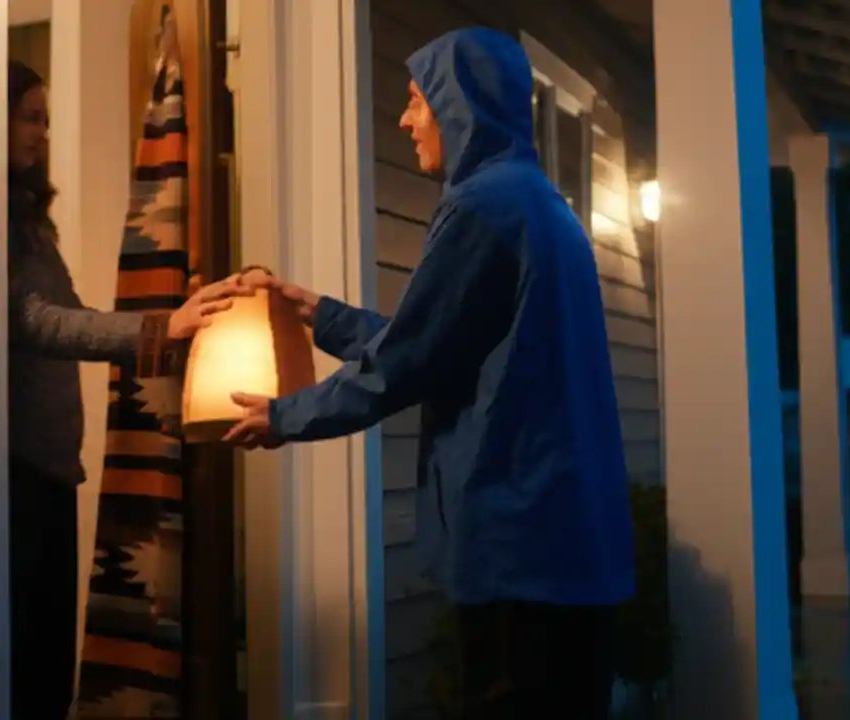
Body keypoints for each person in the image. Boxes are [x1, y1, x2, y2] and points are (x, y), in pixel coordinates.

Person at [225, 29, 635, 719]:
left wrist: (283, 415)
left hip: (519, 543)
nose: (405, 121)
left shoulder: (482, 206)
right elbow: (442, 340)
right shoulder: (536, 202)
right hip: (561, 540)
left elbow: (408, 362)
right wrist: (317, 312)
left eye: (416, 101)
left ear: (460, 104)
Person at [6, 60, 239, 720]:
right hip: (20, 474)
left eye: (45, 119)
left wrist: (172, 326)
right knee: (29, 662)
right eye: (29, 116)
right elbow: (38, 322)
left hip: (54, 470)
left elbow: (75, 312)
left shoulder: (32, 223)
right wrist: (162, 328)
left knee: (51, 662)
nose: (41, 132)